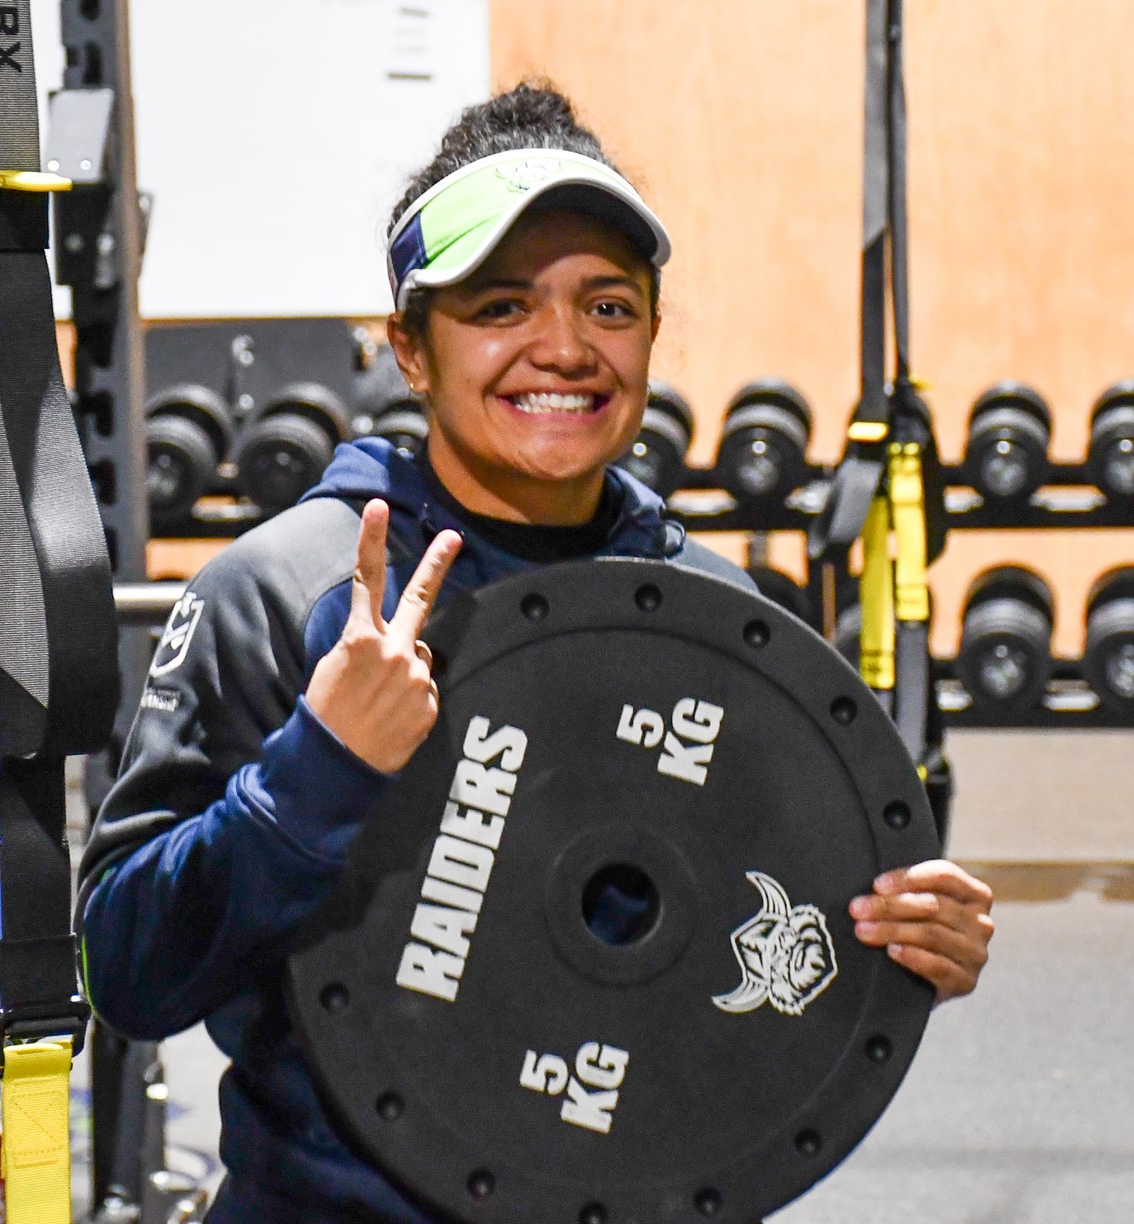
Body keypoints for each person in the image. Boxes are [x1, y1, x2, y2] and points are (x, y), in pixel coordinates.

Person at [77, 82, 994, 1224]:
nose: (562, 348)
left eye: (609, 307)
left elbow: (725, 968)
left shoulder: (714, 617)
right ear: (411, 349)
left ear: (653, 334)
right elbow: (123, 970)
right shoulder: (283, 590)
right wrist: (312, 774)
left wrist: (897, 948)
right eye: (502, 306)